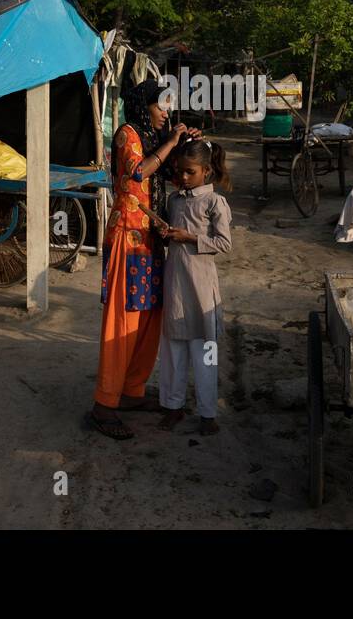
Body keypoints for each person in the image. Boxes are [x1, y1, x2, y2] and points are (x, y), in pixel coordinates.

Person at [91, 78, 200, 440]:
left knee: (148, 317)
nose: (166, 112)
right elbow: (137, 172)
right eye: (160, 106)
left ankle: (131, 390)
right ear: (144, 105)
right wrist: (169, 142)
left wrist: (184, 144)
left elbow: (173, 173)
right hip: (128, 236)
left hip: (150, 238)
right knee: (123, 320)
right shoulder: (126, 133)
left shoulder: (154, 138)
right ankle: (104, 404)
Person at [157, 138, 232, 436]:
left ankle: (207, 413)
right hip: (175, 283)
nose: (184, 178)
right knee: (174, 351)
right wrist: (165, 233)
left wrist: (189, 237)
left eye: (190, 172)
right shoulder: (174, 200)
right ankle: (173, 408)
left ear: (206, 170)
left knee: (204, 353)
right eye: (180, 172)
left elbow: (224, 244)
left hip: (201, 287)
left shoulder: (215, 202)